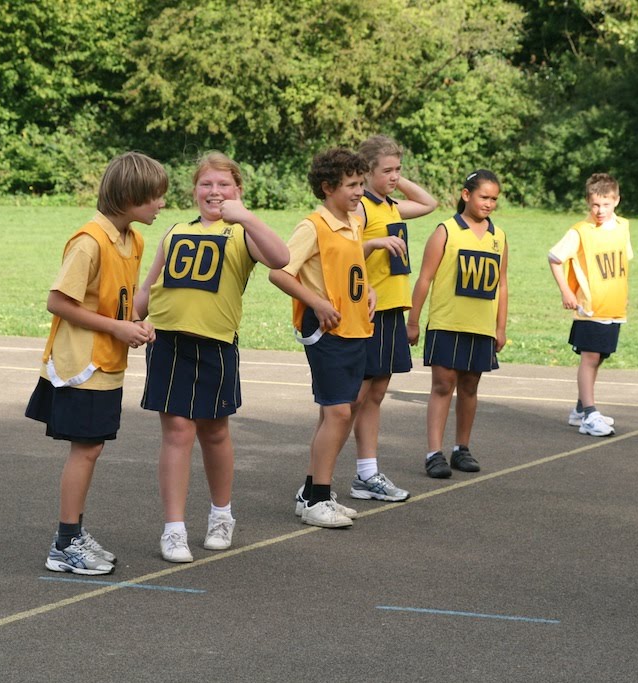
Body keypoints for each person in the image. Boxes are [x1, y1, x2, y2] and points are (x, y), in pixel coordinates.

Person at [133, 152, 289, 562]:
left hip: (216, 344)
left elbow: (281, 258)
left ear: (238, 190)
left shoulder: (242, 233)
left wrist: (246, 216)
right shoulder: (176, 231)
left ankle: (221, 515)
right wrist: (128, 321)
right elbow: (149, 287)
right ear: (194, 190)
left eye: (223, 184)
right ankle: (174, 529)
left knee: (215, 431)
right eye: (206, 184)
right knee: (177, 432)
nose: (214, 191)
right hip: (168, 342)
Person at [26, 151, 166, 575]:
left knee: (93, 447)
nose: (161, 204)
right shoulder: (89, 241)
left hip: (106, 361)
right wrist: (117, 328)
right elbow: (57, 301)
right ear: (130, 197)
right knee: (85, 450)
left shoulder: (132, 240)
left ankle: (72, 534)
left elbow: (120, 303)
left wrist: (135, 323)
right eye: (155, 197)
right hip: (81, 364)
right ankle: (65, 543)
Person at [268, 148, 375, 528]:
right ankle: (317, 500)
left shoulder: (353, 221)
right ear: (328, 187)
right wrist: (316, 302)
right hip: (326, 329)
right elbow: (279, 273)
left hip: (354, 326)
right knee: (338, 413)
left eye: (361, 183)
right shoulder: (312, 226)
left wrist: (368, 290)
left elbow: (349, 267)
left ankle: (314, 492)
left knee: (337, 411)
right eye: (351, 185)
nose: (359, 191)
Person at [350, 135, 438, 502]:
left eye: (398, 169)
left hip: (391, 312)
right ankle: (317, 480)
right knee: (352, 401)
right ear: (366, 172)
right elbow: (343, 252)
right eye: (386, 170)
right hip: (368, 311)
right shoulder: (361, 208)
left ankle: (366, 474)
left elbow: (429, 203)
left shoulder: (391, 206)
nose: (394, 176)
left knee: (376, 395)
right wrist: (373, 244)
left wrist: (395, 180)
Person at [407, 169, 509, 478]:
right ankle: (433, 453)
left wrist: (500, 327)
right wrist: (413, 321)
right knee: (442, 385)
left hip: (480, 326)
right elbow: (425, 278)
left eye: (494, 199)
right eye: (483, 197)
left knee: (469, 386)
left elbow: (502, 285)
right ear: (466, 195)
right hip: (447, 323)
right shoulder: (446, 231)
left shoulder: (499, 237)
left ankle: (461, 449)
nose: (489, 203)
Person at [547, 173, 633, 437]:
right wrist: (566, 292)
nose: (600, 210)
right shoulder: (580, 231)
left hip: (614, 306)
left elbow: (623, 262)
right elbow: (554, 258)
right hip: (590, 307)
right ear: (588, 202)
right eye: (595, 204)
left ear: (616, 200)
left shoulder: (623, 227)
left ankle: (580, 410)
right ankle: (590, 414)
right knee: (590, 357)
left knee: (600, 357)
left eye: (606, 204)